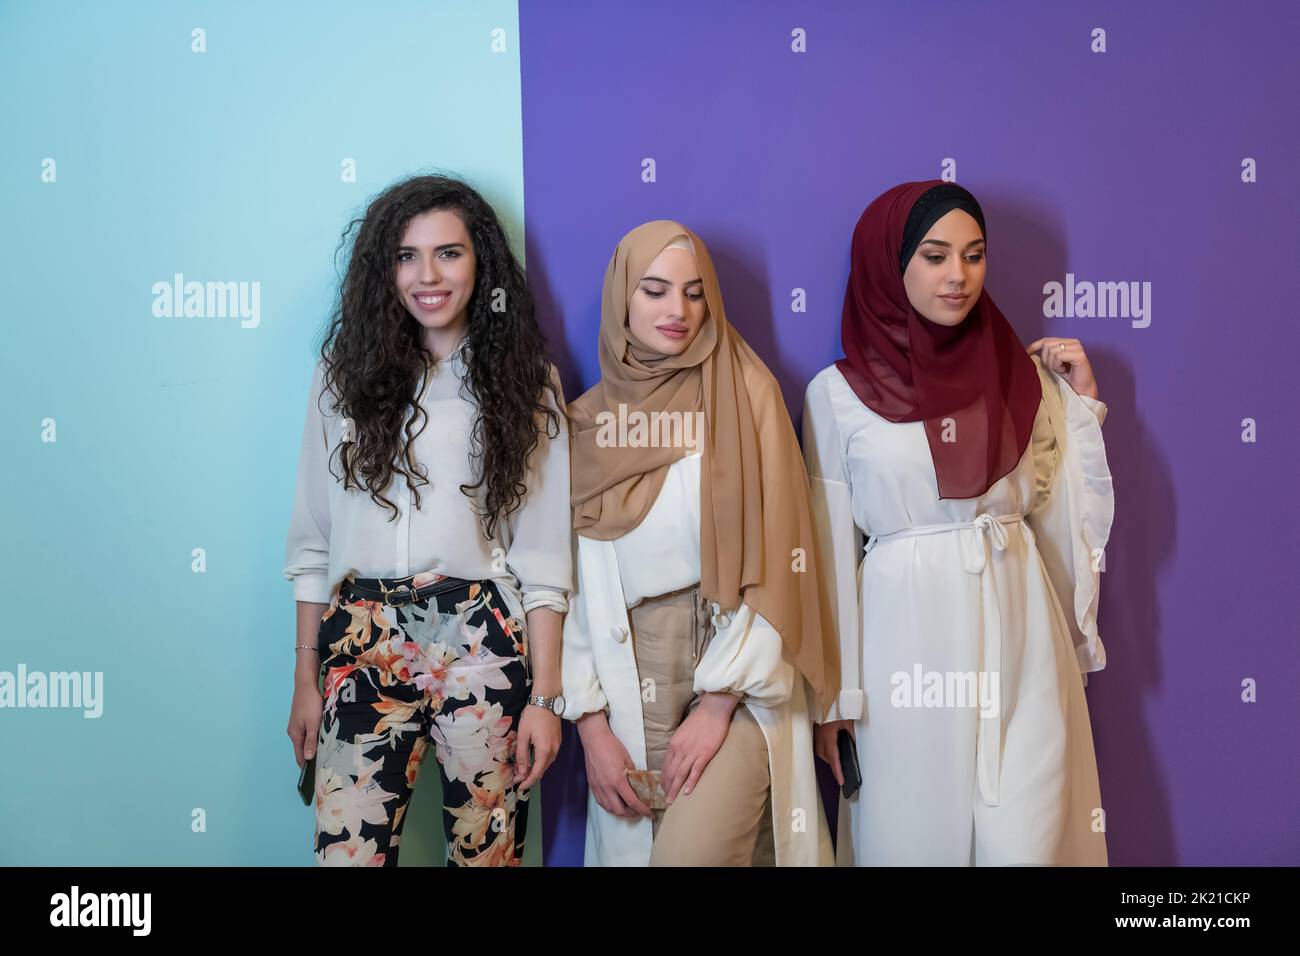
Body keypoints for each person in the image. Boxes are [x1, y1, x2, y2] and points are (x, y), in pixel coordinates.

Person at [805, 181, 1113, 866]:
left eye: (974, 255)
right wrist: (838, 696)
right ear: (893, 263)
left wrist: (1081, 407)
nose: (958, 276)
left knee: (1030, 839)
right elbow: (827, 552)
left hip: (1021, 627)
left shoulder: (1017, 376)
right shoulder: (834, 396)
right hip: (902, 644)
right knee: (912, 841)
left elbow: (1052, 505)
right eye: (936, 255)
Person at [283, 174, 572, 866]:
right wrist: (305, 677)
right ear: (385, 270)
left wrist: (547, 699)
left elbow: (544, 557)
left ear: (482, 263)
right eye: (407, 256)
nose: (427, 275)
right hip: (358, 636)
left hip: (481, 638)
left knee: (487, 857)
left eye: (449, 253)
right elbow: (313, 541)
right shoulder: (339, 376)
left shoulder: (528, 383)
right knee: (345, 856)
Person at [562, 220, 837, 866]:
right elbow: (567, 589)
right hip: (627, 682)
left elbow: (780, 559)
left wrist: (716, 705)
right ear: (622, 298)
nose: (677, 311)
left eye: (694, 293)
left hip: (737, 678)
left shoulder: (747, 397)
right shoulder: (582, 425)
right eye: (655, 290)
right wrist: (590, 728)